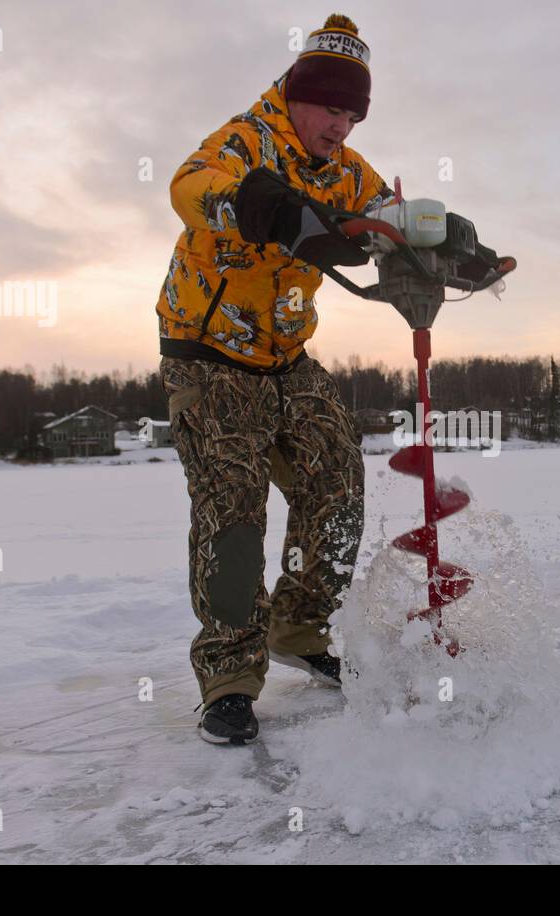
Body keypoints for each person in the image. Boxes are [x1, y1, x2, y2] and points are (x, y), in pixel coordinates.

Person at [154, 14, 394, 744]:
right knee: (233, 511)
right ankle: (228, 679)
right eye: (333, 108)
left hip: (287, 357)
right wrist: (258, 204)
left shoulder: (348, 173)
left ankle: (300, 624)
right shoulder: (245, 142)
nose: (343, 125)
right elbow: (188, 185)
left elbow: (390, 216)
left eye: (355, 114)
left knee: (339, 482)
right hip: (209, 353)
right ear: (298, 93)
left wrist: (444, 241)